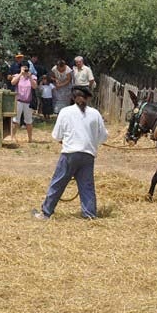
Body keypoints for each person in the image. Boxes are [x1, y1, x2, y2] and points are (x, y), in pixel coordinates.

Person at [32, 85, 108, 221]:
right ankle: (89, 214)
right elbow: (103, 137)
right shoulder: (95, 114)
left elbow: (56, 136)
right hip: (88, 155)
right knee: (87, 185)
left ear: (72, 98)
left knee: (58, 183)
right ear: (87, 98)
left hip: (69, 154)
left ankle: (46, 213)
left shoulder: (65, 112)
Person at [11, 63, 37, 143]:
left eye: (26, 68)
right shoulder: (17, 75)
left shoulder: (33, 77)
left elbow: (35, 86)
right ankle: (12, 137)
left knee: (28, 121)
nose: (25, 70)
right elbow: (13, 82)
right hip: (18, 101)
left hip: (28, 102)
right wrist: (20, 74)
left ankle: (30, 138)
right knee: (15, 120)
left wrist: (29, 77)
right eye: (23, 68)